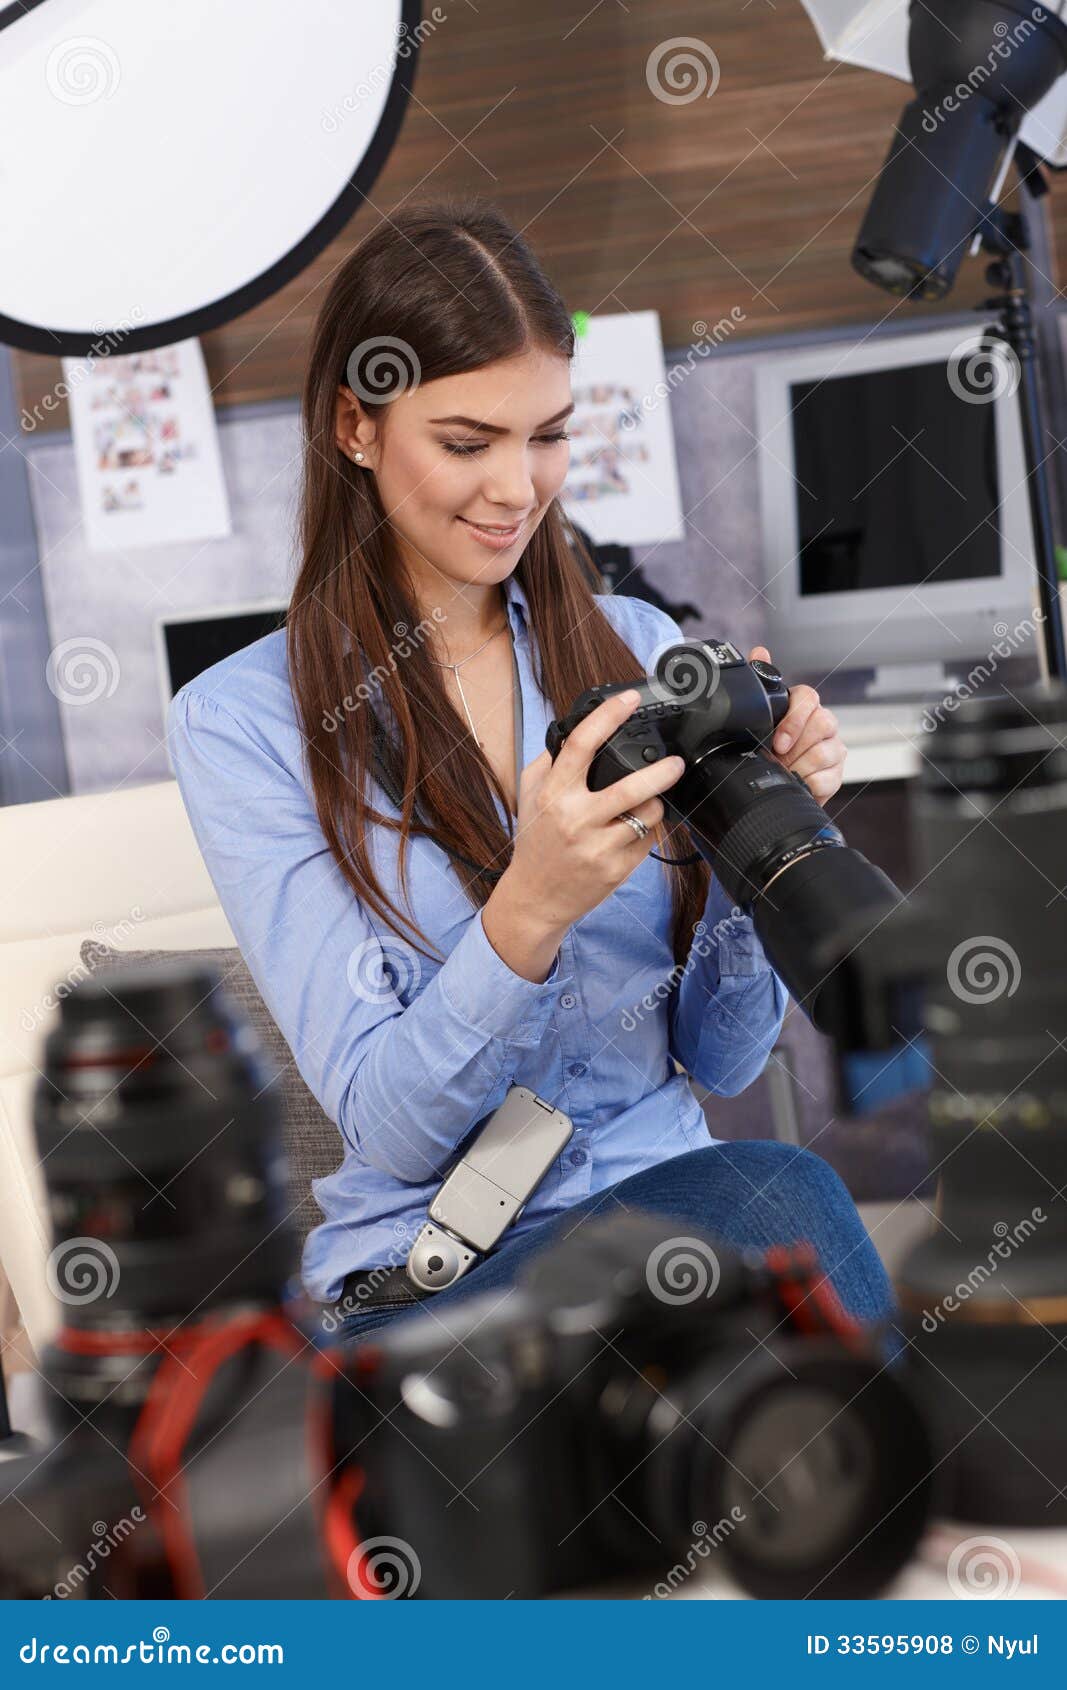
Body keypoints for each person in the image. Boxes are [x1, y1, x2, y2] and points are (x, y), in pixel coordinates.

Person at [167, 194, 895, 1351]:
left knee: (771, 1290)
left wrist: (766, 841)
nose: (518, 487)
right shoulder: (241, 724)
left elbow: (718, 1055)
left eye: (547, 432)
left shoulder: (637, 649)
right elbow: (391, 1129)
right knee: (778, 1205)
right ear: (355, 426)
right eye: (466, 443)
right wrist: (530, 908)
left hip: (674, 1216)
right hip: (443, 1270)